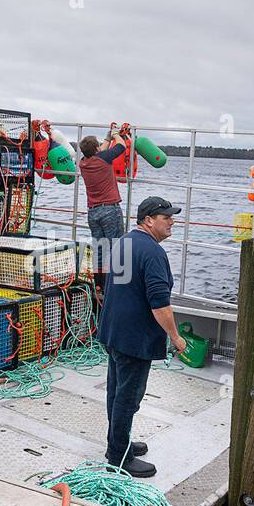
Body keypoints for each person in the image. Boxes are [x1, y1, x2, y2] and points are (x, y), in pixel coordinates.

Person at [98, 197, 188, 478]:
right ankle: (119, 457)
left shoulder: (124, 241)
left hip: (113, 331)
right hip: (134, 339)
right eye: (166, 217)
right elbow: (160, 304)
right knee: (128, 397)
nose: (172, 221)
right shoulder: (153, 253)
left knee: (116, 391)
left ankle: (118, 442)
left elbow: (120, 287)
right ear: (149, 220)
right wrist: (175, 337)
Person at [78, 130, 129, 288]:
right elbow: (121, 147)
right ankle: (118, 284)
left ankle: (99, 284)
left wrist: (107, 138)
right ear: (97, 150)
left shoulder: (82, 162)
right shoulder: (103, 159)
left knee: (99, 250)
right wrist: (115, 134)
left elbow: (99, 151)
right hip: (109, 210)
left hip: (93, 212)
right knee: (117, 246)